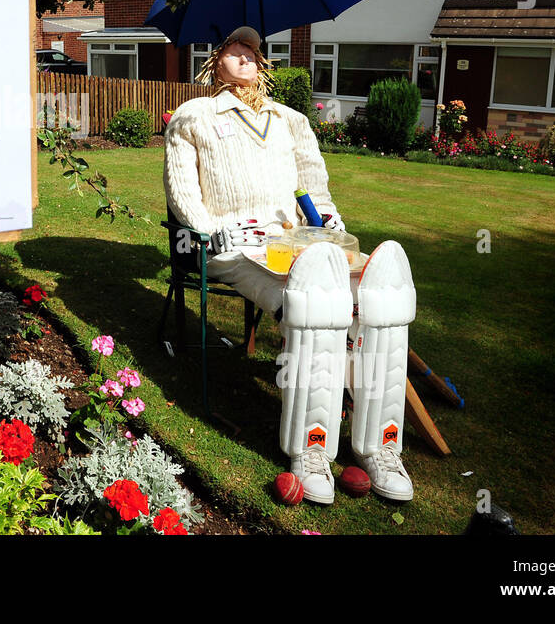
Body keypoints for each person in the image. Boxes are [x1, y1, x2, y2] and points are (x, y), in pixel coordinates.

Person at [163, 26, 416, 504]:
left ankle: (379, 444)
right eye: (233, 50)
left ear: (264, 65)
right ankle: (312, 449)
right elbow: (182, 194)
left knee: (382, 291)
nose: (244, 56)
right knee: (314, 303)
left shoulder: (290, 119)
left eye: (252, 51)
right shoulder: (193, 116)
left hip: (300, 242)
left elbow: (315, 188)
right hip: (235, 247)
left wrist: (329, 221)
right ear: (213, 61)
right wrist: (205, 228)